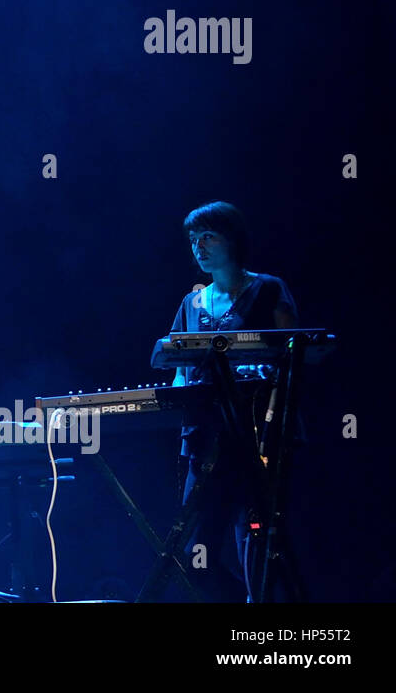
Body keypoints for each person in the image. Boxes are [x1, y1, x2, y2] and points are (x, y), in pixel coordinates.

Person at [169, 201, 298, 602]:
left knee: (254, 536)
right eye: (193, 240)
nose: (199, 247)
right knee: (192, 552)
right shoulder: (192, 304)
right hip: (203, 440)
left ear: (233, 240)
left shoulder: (267, 289)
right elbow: (177, 367)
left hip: (255, 433)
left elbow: (294, 355)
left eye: (208, 236)